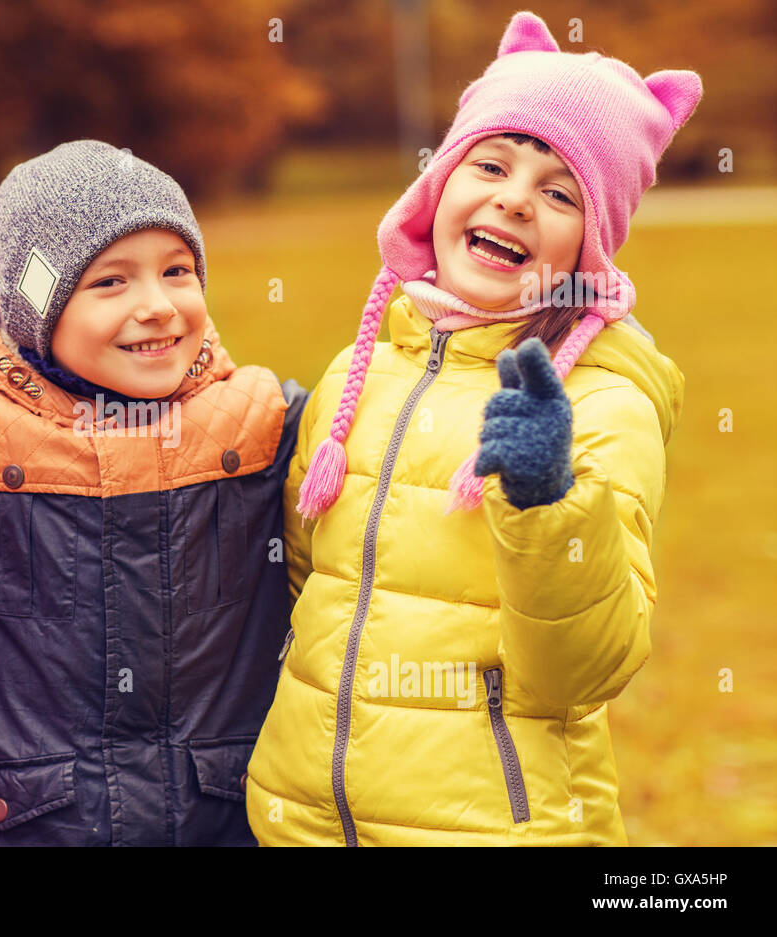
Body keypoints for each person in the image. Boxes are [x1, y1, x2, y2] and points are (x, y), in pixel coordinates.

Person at [246, 12, 701, 845]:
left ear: (591, 244)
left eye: (560, 192)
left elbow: (582, 669)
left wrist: (544, 503)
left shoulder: (601, 405)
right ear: (440, 187)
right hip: (307, 820)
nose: (514, 198)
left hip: (497, 828)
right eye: (490, 163)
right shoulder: (358, 373)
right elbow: (299, 587)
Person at [0, 140, 307, 844]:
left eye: (177, 271)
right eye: (110, 282)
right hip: (23, 824)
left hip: (222, 816)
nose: (156, 306)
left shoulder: (262, 422)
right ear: (36, 308)